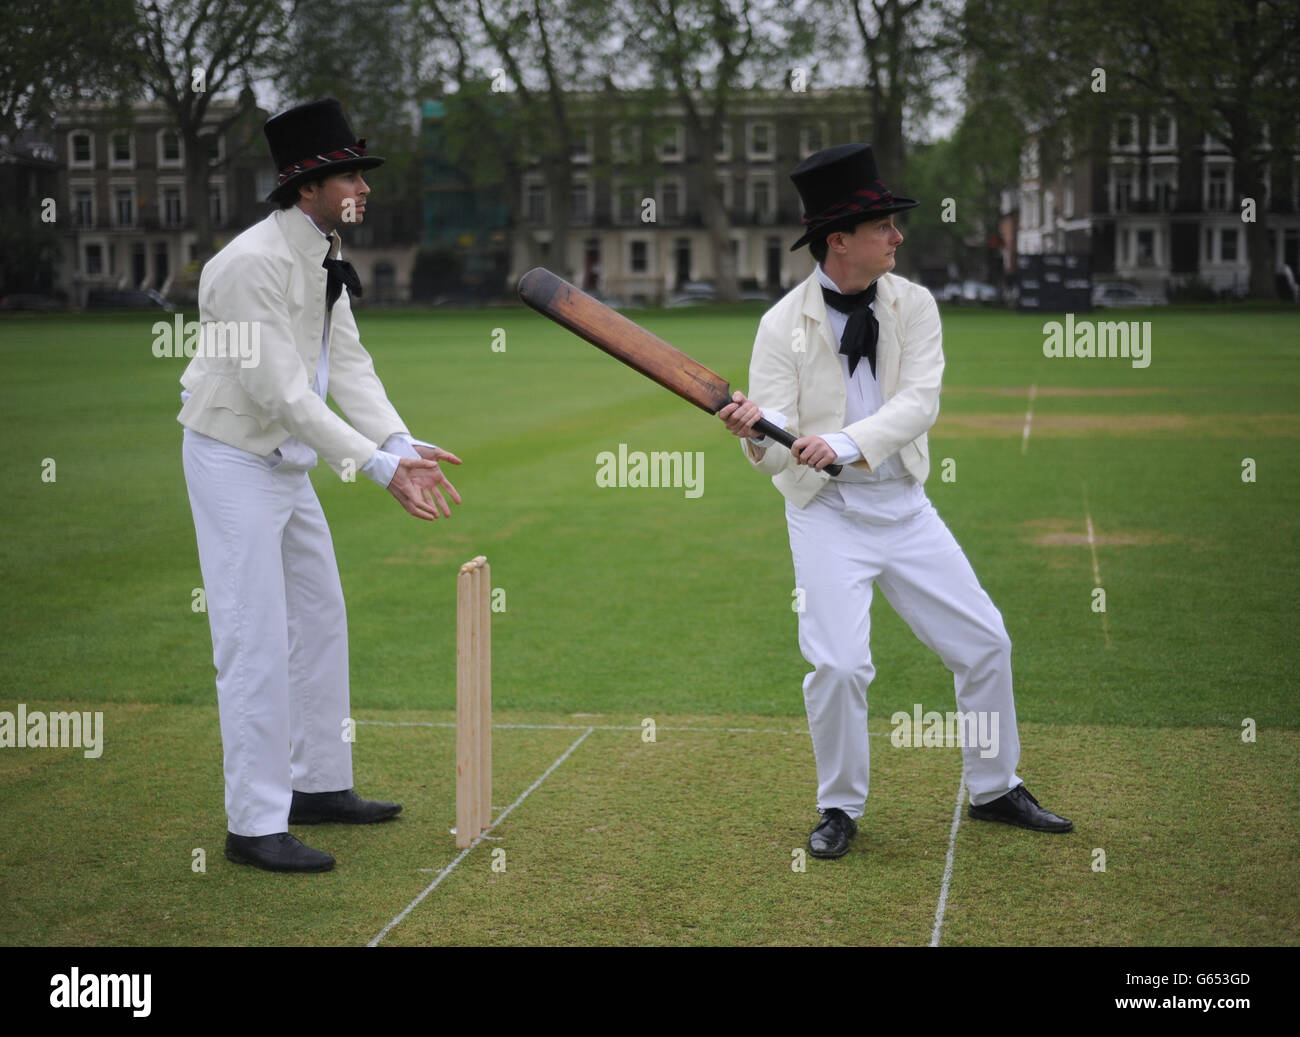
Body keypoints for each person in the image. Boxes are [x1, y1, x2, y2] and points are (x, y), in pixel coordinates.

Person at [718, 143, 1071, 859]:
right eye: (884, 225)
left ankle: (996, 786)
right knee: (841, 665)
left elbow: (918, 404)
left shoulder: (915, 305)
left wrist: (844, 440)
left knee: (986, 641)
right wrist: (754, 437)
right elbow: (775, 446)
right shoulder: (779, 325)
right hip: (825, 515)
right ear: (839, 240)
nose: (897, 236)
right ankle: (839, 806)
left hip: (904, 505)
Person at [179, 98, 461, 873]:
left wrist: (398, 439)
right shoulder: (246, 266)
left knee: (320, 616)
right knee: (254, 639)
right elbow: (282, 394)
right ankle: (254, 823)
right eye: (348, 177)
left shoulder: (323, 250)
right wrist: (377, 466)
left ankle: (317, 784)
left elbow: (349, 364)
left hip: (285, 461)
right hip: (233, 455)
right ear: (307, 186)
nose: (362, 189)